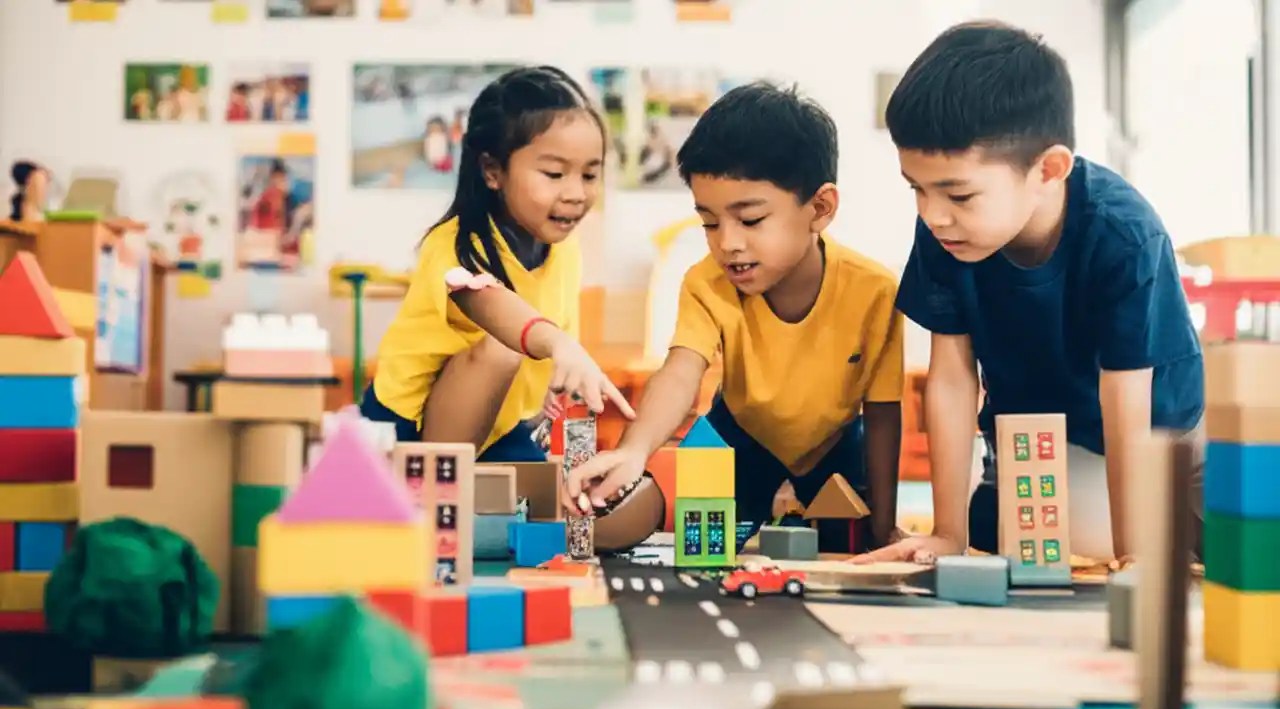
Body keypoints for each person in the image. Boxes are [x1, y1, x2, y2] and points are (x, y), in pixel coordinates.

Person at [857, 21, 1203, 566]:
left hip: (1158, 433)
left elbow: (1126, 399)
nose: (932, 214)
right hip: (1037, 437)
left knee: (1215, 547)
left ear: (1049, 169)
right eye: (916, 189)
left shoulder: (1124, 234)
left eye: (959, 194)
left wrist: (1133, 555)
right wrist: (948, 532)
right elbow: (950, 376)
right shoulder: (946, 233)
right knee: (996, 541)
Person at [563, 82, 906, 552]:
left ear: (820, 209)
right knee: (692, 533)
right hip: (742, 438)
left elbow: (884, 411)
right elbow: (681, 369)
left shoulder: (875, 290)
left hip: (835, 444)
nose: (727, 243)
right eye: (709, 222)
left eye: (749, 220)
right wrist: (633, 450)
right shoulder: (706, 282)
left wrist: (884, 524)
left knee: (853, 540)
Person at [361, 65, 635, 462]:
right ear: (493, 172)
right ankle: (435, 497)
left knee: (575, 501)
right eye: (555, 174)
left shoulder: (564, 253)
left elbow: (553, 342)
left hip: (499, 427)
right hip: (407, 427)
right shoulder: (456, 244)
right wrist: (560, 345)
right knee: (502, 349)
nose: (576, 193)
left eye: (590, 175)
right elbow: (497, 309)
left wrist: (549, 393)